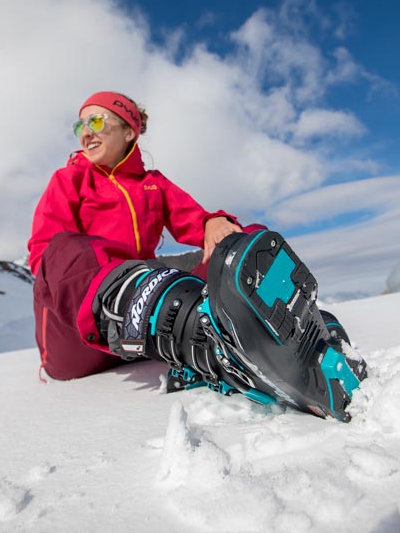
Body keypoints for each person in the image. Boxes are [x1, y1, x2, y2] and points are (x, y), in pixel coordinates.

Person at [27, 92, 367, 421]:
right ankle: (205, 335)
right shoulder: (68, 179)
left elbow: (195, 221)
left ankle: (270, 334)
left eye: (97, 122)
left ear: (129, 131)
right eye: (80, 126)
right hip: (77, 341)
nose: (86, 133)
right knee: (62, 249)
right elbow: (43, 259)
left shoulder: (153, 185)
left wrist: (213, 222)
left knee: (240, 242)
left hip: (147, 337)